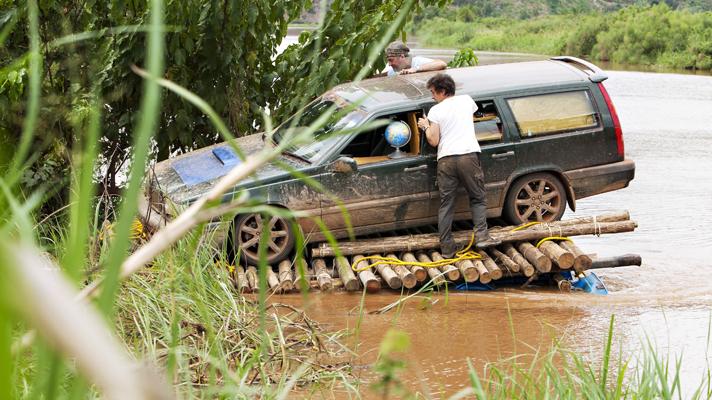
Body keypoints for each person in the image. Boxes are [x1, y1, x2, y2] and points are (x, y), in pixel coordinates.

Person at [417, 73, 501, 258]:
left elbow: (433, 140)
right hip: (468, 156)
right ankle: (481, 236)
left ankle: (447, 249)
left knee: (447, 204)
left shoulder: (435, 111)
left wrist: (425, 126)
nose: (432, 96)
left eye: (433, 92)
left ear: (443, 91)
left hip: (446, 159)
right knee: (477, 198)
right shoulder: (467, 100)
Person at [382, 41, 447, 76]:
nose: (389, 64)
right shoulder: (393, 70)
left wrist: (415, 69)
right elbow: (382, 76)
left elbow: (441, 63)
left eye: (391, 60)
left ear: (402, 56)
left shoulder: (417, 61)